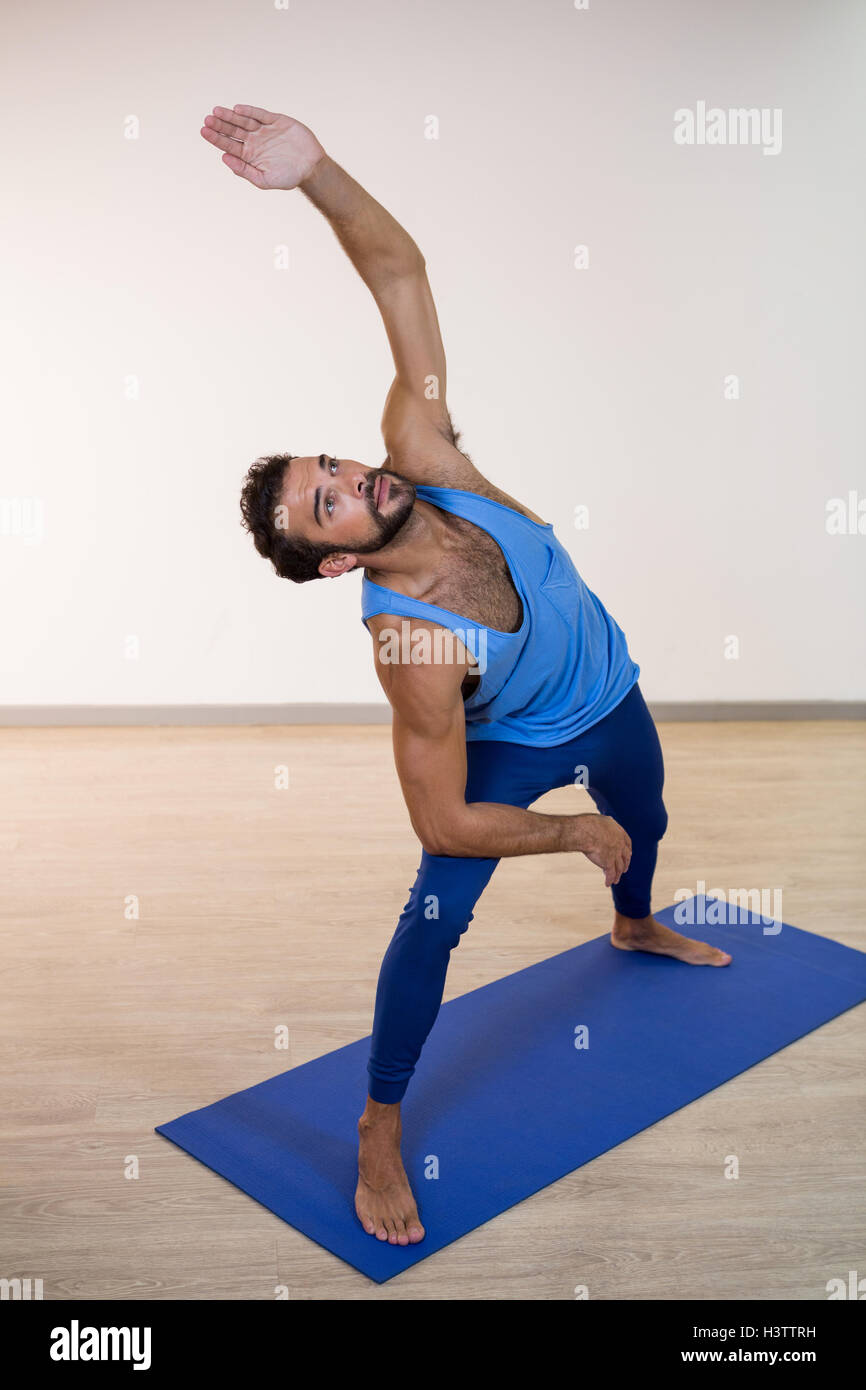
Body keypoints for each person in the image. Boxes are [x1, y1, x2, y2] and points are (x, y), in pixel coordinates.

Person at [200, 104, 732, 1250]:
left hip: (611, 689)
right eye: (326, 498)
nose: (351, 476)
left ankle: (631, 926)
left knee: (642, 816)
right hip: (520, 738)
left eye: (331, 464)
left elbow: (398, 270)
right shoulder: (410, 647)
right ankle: (380, 1120)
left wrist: (316, 172)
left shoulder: (426, 454)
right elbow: (444, 814)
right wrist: (557, 835)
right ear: (334, 555)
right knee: (435, 908)